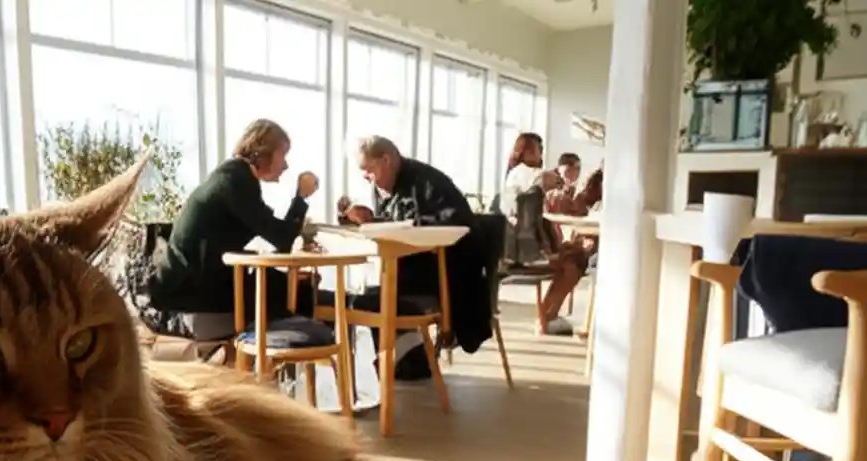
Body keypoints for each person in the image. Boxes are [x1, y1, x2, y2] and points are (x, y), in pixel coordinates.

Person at [150, 119, 319, 341]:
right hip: (192, 299)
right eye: (283, 155)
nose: (285, 166)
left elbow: (271, 230)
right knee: (301, 292)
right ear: (263, 152)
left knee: (293, 288)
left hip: (186, 288)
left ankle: (285, 360)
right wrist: (301, 197)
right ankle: (298, 354)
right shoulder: (236, 182)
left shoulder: (232, 176)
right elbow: (282, 237)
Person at [346, 135, 491, 355]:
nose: (366, 177)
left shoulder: (429, 182)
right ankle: (408, 361)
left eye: (368, 169)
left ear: (386, 160)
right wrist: (370, 220)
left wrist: (398, 225)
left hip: (449, 271)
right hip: (410, 268)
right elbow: (396, 225)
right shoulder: (384, 186)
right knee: (367, 297)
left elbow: (453, 224)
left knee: (375, 299)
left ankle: (409, 361)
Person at [501, 134, 590, 334]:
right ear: (524, 152)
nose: (538, 153)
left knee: (573, 255)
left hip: (522, 247)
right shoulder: (530, 174)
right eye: (534, 149)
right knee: (574, 261)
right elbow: (551, 182)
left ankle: (548, 316)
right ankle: (546, 317)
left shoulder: (515, 174)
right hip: (528, 252)